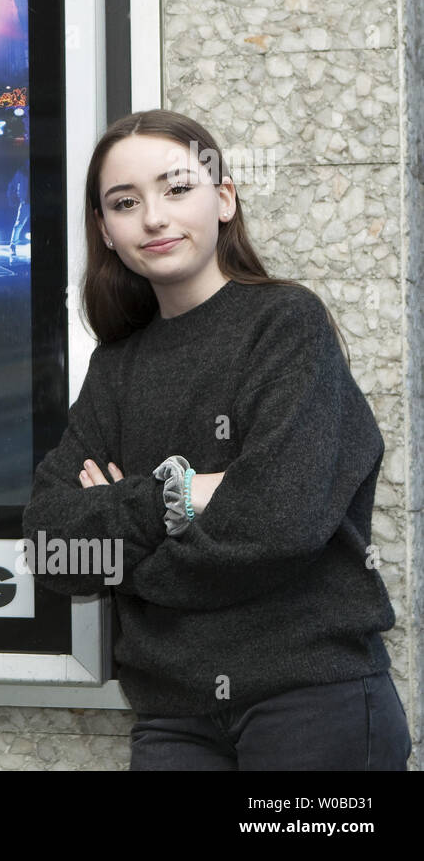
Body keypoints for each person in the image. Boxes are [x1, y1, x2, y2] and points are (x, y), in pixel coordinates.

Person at [21, 109, 410, 771]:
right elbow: (53, 545)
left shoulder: (287, 324)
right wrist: (177, 495)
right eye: (124, 202)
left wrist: (130, 547)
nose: (153, 217)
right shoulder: (116, 367)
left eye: (177, 188)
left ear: (224, 197)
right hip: (173, 716)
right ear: (106, 232)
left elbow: (280, 519)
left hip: (310, 701)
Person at [6, 165, 28, 259]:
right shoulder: (21, 172)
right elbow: (12, 185)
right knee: (19, 224)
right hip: (25, 202)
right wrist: (11, 198)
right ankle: (12, 245)